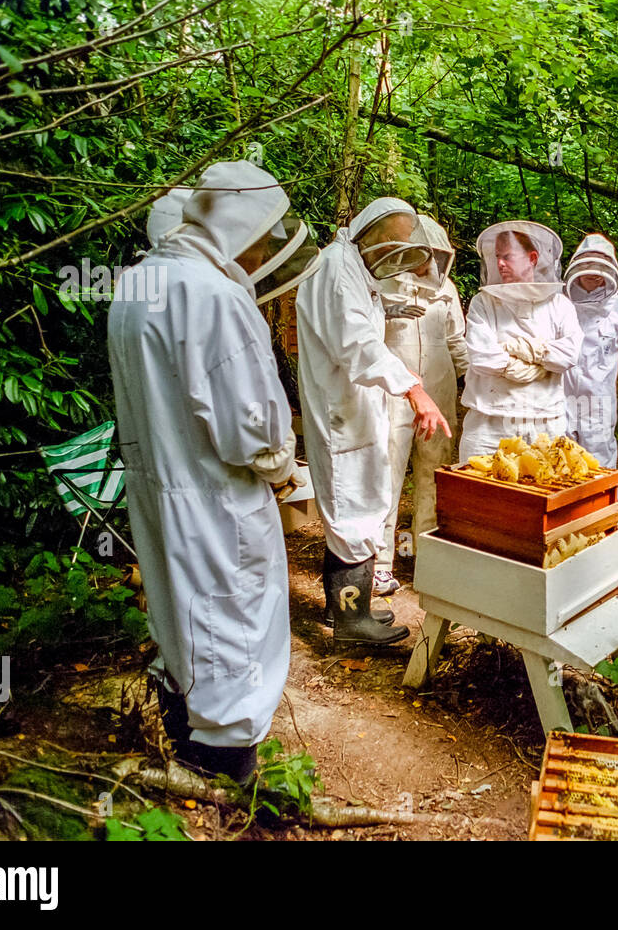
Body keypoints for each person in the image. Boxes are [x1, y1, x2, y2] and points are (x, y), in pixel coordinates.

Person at [108, 161, 309, 784]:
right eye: (265, 234)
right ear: (242, 223)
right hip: (217, 491)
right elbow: (249, 420)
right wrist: (282, 471)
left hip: (159, 480)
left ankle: (184, 721)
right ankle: (226, 762)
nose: (265, 251)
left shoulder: (138, 283)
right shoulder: (213, 294)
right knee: (235, 608)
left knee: (178, 601)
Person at [295, 198, 452, 647]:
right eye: (392, 243)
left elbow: (362, 324)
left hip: (355, 406)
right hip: (341, 411)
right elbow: (357, 344)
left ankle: (347, 608)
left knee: (361, 502)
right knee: (351, 508)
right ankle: (350, 622)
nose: (396, 253)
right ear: (372, 234)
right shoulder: (335, 268)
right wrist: (414, 389)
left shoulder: (353, 266)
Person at [373, 214, 468, 595]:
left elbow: (457, 342)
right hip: (393, 393)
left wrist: (475, 386)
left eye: (431, 256)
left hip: (440, 391)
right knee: (386, 475)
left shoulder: (447, 290)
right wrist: (386, 311)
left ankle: (426, 552)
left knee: (433, 472)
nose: (426, 264)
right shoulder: (379, 284)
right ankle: (380, 563)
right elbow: (362, 339)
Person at [459, 220, 582, 460]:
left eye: (507, 256)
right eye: (496, 257)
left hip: (545, 421)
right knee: (476, 495)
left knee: (542, 492)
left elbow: (569, 355)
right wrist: (540, 362)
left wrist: (514, 348)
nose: (500, 264)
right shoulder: (483, 303)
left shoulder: (560, 305)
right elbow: (483, 358)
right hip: (489, 422)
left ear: (533, 258)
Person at [561, 233, 618, 468]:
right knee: (560, 457)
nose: (593, 272)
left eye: (600, 265)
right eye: (588, 264)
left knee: (599, 461)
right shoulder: (560, 301)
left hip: (599, 397)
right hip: (561, 394)